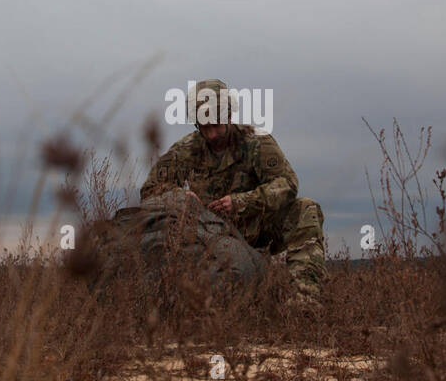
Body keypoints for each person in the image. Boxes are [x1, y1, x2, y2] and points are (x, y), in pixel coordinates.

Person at [140, 79, 326, 304]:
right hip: (208, 235)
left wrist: (243, 201)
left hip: (256, 228)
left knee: (306, 209)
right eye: (205, 127)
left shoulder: (256, 141)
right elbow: (150, 190)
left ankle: (303, 300)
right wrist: (180, 196)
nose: (212, 134)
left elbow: (287, 183)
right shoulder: (186, 149)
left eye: (216, 125)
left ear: (228, 116)